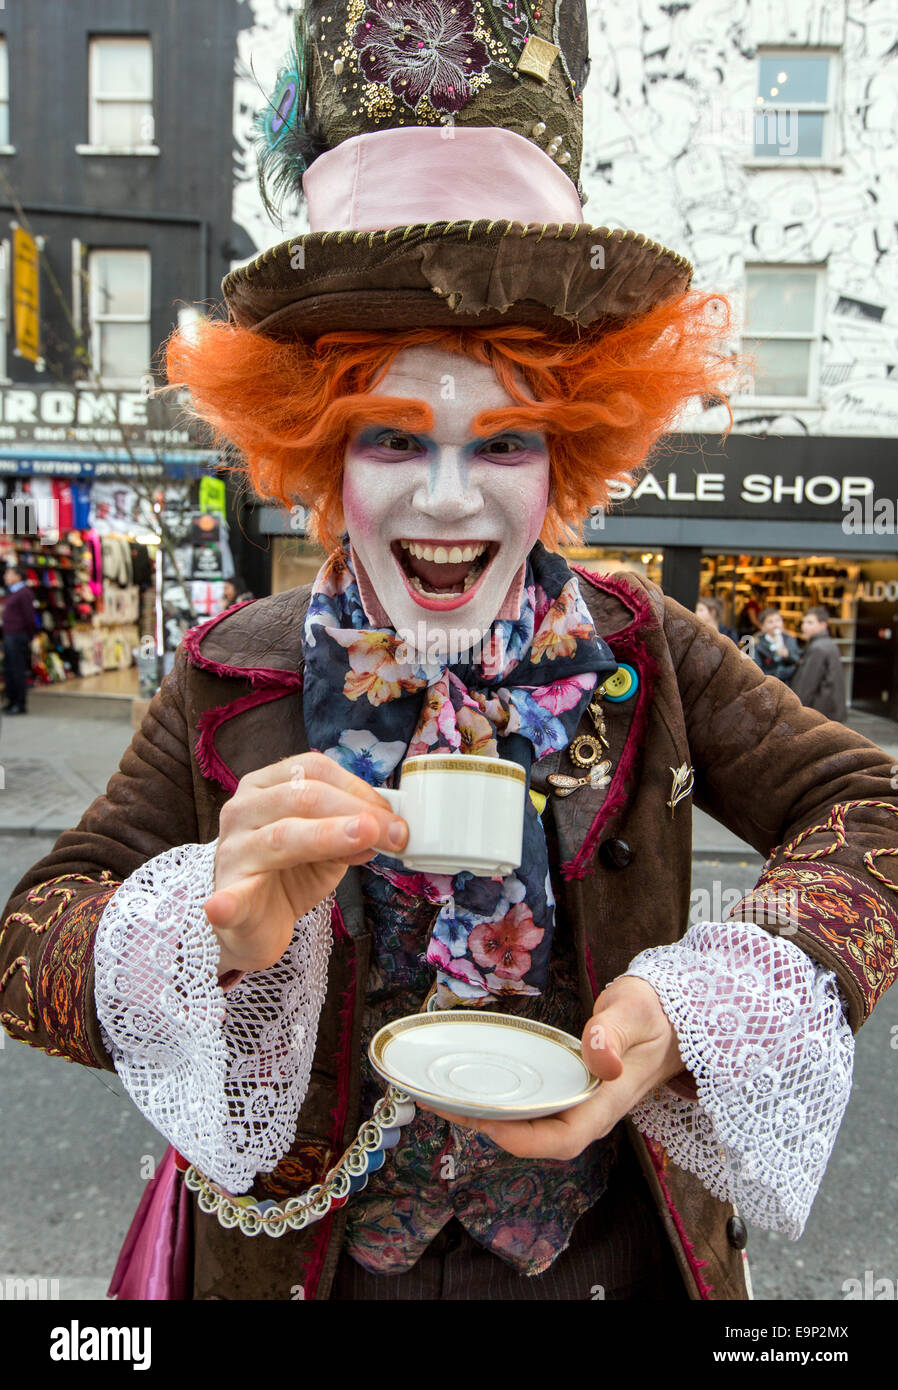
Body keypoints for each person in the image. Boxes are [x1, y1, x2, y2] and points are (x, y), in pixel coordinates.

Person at [2, 1, 897, 1304]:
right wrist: (211, 939)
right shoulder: (226, 666)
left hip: (603, 1269)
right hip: (306, 1269)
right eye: (392, 437)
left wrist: (691, 1012)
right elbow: (30, 936)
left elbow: (868, 808)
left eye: (502, 444)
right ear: (320, 453)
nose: (446, 497)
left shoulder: (651, 643)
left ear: (564, 458)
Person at [792, 606, 848, 722]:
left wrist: (796, 710)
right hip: (831, 710)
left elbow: (807, 683)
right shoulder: (829, 644)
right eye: (804, 622)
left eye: (810, 623)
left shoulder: (818, 648)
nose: (804, 626)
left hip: (821, 711)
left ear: (823, 625)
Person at [2, 563, 38, 714]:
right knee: (9, 670)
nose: (5, 577)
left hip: (18, 636)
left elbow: (30, 618)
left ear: (18, 576)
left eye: (9, 574)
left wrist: (30, 636)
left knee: (17, 670)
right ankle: (11, 701)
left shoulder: (24, 593)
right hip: (10, 635)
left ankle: (20, 704)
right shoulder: (13, 592)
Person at [752, 607, 801, 684]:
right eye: (770, 622)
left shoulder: (790, 639)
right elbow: (757, 672)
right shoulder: (756, 644)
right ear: (762, 626)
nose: (775, 624)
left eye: (778, 620)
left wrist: (787, 655)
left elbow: (799, 662)